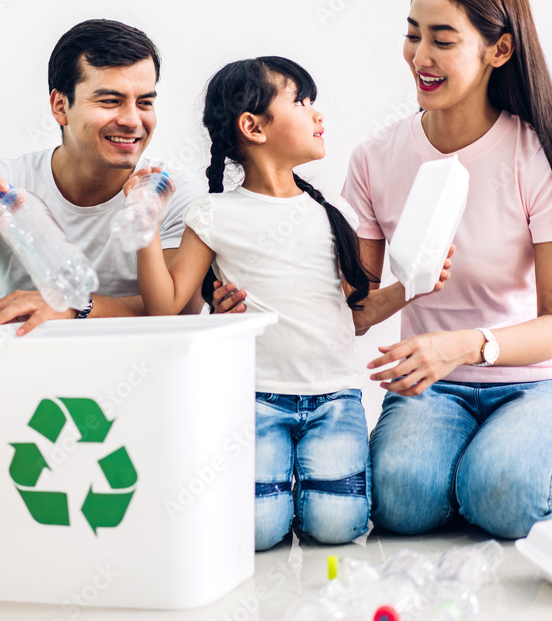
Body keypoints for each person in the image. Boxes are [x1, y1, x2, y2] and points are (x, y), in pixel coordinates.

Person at [0, 19, 204, 549]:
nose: (132, 120)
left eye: (145, 101)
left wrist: (71, 309)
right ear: (59, 106)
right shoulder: (3, 182)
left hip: (134, 392)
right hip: (25, 388)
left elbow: (178, 309)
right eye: (110, 101)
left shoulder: (166, 190)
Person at [131, 57, 450, 549]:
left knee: (337, 529)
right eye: (302, 102)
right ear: (253, 126)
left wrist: (413, 286)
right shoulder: (213, 213)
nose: (318, 115)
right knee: (255, 534)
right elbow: (168, 307)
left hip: (335, 401)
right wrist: (146, 228)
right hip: (255, 402)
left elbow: (357, 316)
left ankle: (302, 493)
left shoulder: (333, 212)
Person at [341, 0, 552, 539]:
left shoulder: (533, 156)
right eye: (412, 35)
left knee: (505, 498)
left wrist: (464, 346)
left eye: (443, 40)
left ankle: (531, 466)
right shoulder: (376, 160)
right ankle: (496, 471)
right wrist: (407, 288)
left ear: (498, 50)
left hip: (541, 377)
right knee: (400, 505)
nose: (420, 57)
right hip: (432, 385)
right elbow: (353, 313)